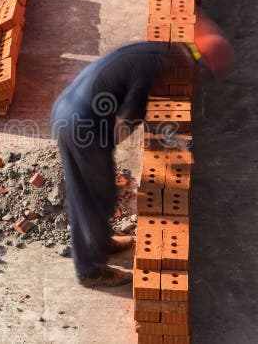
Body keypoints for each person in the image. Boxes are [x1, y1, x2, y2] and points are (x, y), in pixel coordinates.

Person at [50, 15, 233, 287]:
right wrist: (160, 143)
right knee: (93, 195)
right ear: (194, 61)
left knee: (98, 190)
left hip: (68, 109)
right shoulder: (154, 64)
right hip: (82, 125)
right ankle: (91, 271)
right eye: (199, 71)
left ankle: (100, 242)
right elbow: (129, 118)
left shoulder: (150, 52)